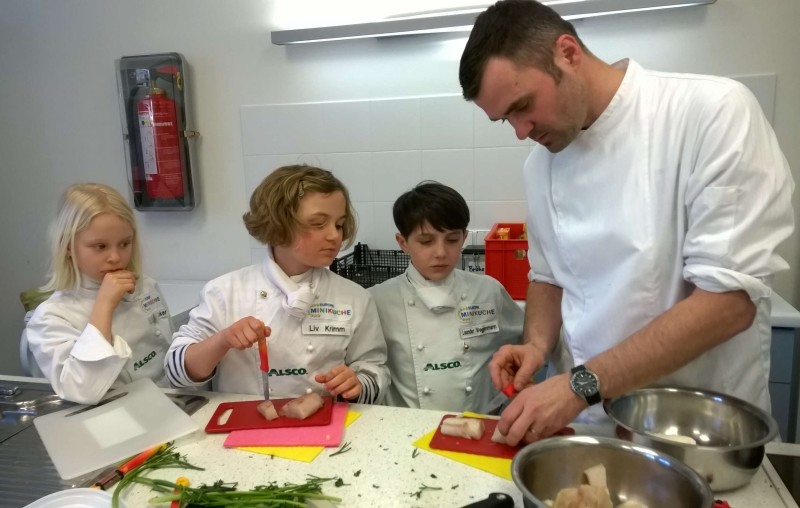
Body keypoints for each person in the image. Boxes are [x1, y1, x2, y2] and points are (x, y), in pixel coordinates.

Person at [459, 0, 795, 446]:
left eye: (523, 106)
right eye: (506, 120)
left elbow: (728, 304)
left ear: (568, 53)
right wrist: (537, 345)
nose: (522, 131)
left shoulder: (710, 112)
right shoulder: (541, 165)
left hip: (697, 434)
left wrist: (579, 386)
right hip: (585, 424)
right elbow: (548, 275)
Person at [166, 164, 389, 403]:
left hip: (327, 422)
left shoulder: (355, 297)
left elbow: (374, 369)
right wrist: (223, 340)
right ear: (277, 224)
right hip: (244, 422)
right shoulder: (224, 292)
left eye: (339, 224)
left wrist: (357, 384)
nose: (334, 235)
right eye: (318, 223)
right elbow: (176, 374)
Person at [369, 182, 524, 413]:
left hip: (479, 421)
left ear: (464, 237)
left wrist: (511, 389)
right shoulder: (378, 300)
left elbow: (525, 346)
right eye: (426, 241)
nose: (441, 253)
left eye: (452, 240)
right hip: (406, 427)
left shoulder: (488, 291)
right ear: (403, 243)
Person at [26, 183, 173, 405]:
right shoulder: (51, 317)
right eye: (100, 246)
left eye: (124, 243)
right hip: (111, 415)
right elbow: (82, 389)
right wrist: (104, 305)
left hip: (167, 403)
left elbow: (168, 356)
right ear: (68, 246)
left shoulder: (146, 287)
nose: (115, 257)